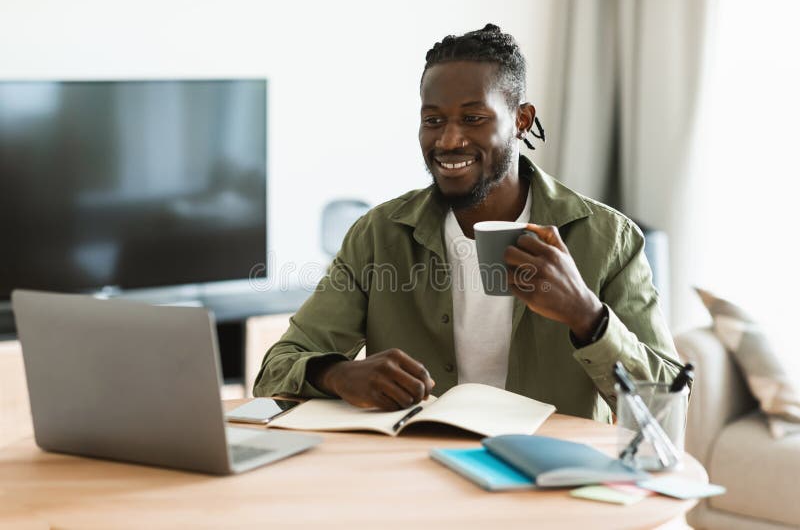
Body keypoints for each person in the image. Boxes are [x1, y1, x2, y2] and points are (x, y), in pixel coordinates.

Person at [253, 24, 682, 422]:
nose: (448, 140)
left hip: (551, 481)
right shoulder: (379, 235)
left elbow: (667, 405)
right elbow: (276, 368)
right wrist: (339, 375)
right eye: (433, 120)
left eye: (473, 118)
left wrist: (587, 316)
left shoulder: (608, 239)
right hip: (417, 473)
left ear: (521, 120)